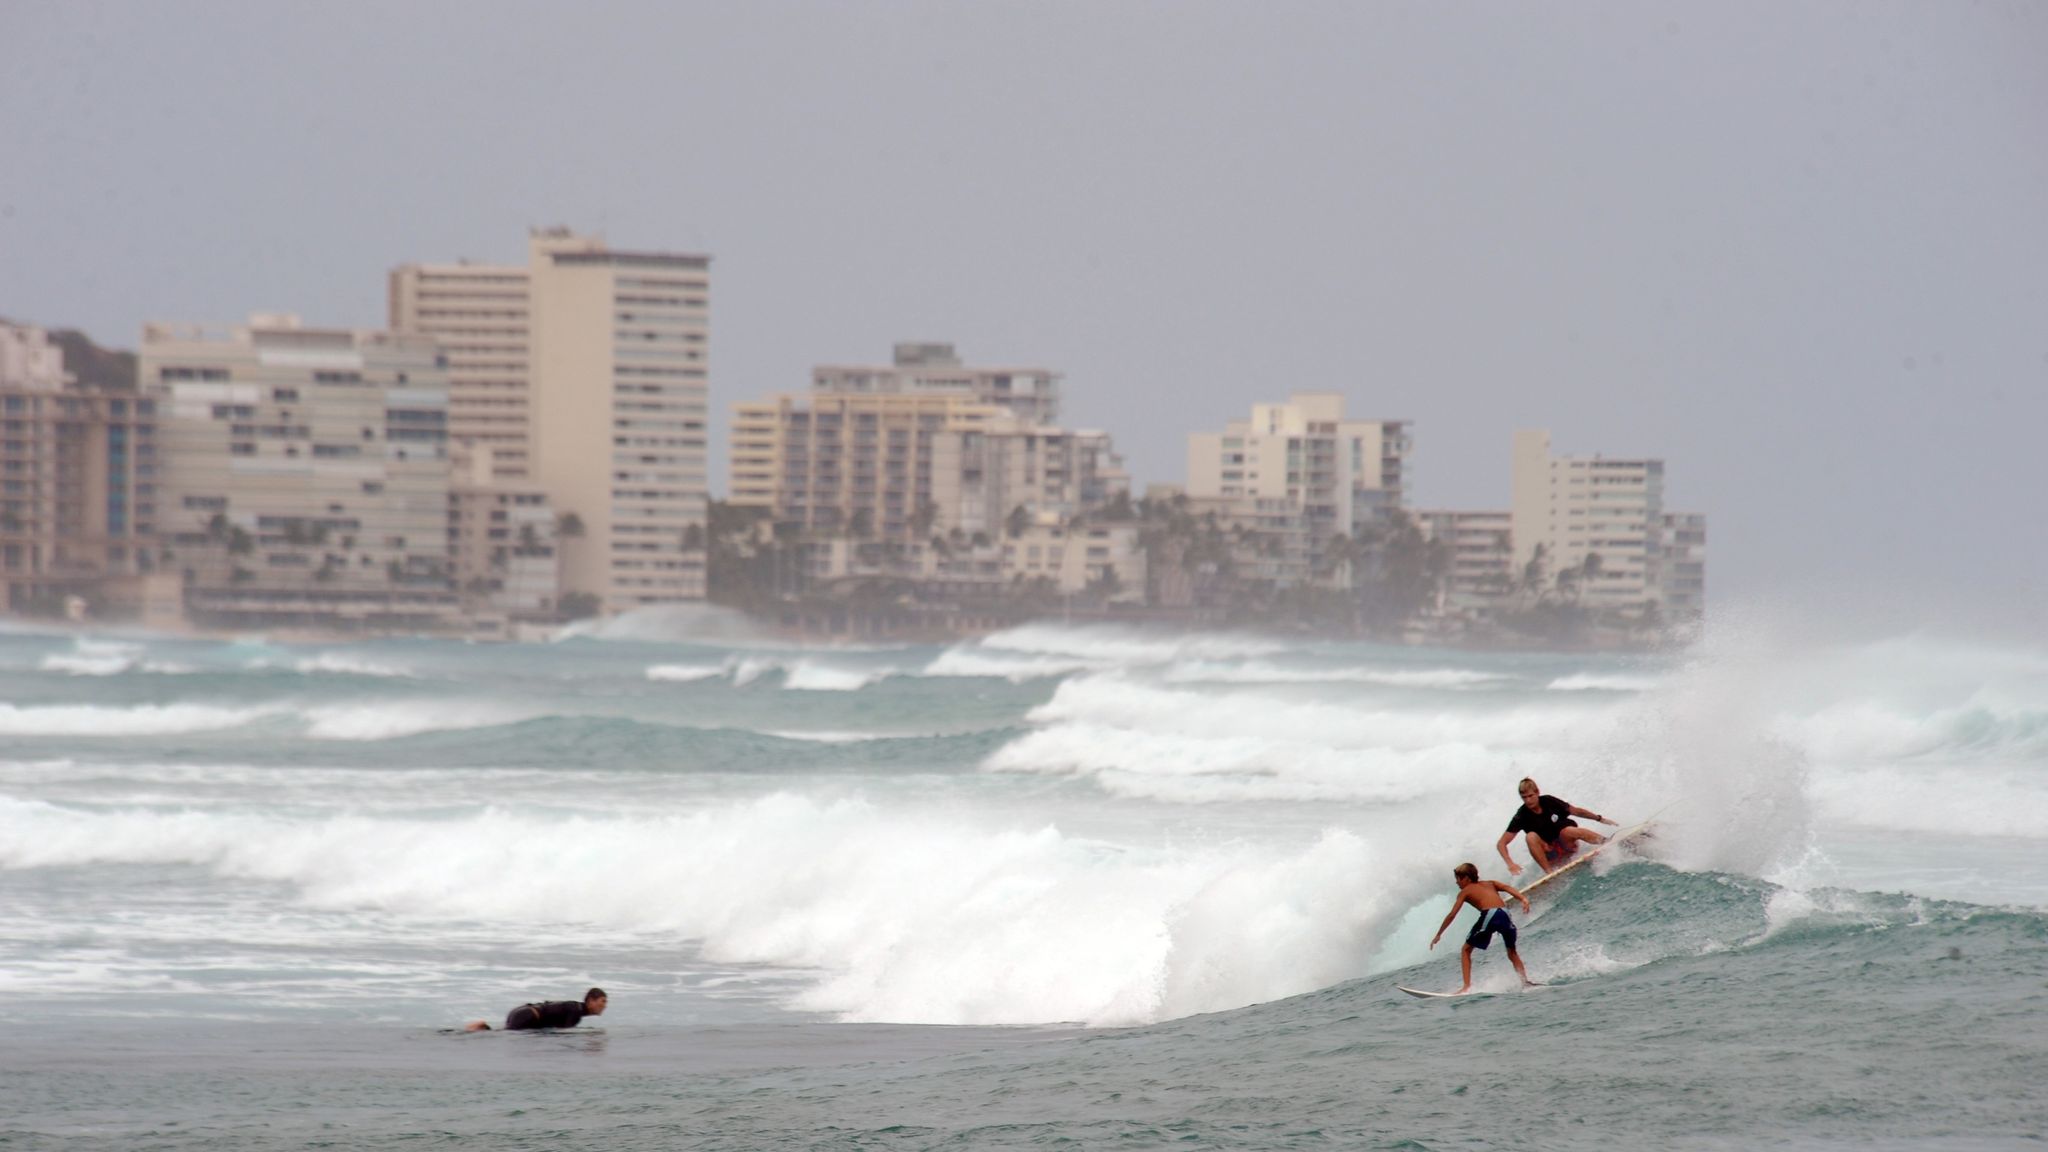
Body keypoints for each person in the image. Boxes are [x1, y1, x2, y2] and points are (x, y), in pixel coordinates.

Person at [1429, 862, 1534, 993]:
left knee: (1466, 950)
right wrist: (1523, 898)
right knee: (1512, 952)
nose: (1457, 883)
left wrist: (1439, 934)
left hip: (1490, 914)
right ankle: (1525, 982)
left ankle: (1466, 987)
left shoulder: (1465, 891)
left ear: (1466, 878)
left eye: (1458, 879)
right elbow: (1507, 887)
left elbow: (1452, 915)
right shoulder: (1490, 883)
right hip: (1505, 913)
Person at [1497, 777, 1615, 875]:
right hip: (1550, 853)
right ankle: (1549, 873)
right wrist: (1510, 864)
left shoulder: (1549, 801)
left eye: (1530, 796)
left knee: (1568, 831)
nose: (1528, 801)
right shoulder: (1521, 815)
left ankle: (1608, 842)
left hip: (1567, 844)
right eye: (1524, 798)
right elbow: (1501, 844)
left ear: (1537, 792)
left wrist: (1600, 818)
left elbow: (1576, 811)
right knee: (1530, 836)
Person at [464, 987, 608, 1032]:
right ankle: (480, 1028)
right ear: (590, 1001)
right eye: (602, 1002)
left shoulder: (575, 1008)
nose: (604, 1006)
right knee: (498, 1035)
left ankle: (480, 1028)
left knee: (502, 1033)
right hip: (528, 1015)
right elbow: (565, 1033)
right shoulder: (576, 1012)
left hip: (522, 1012)